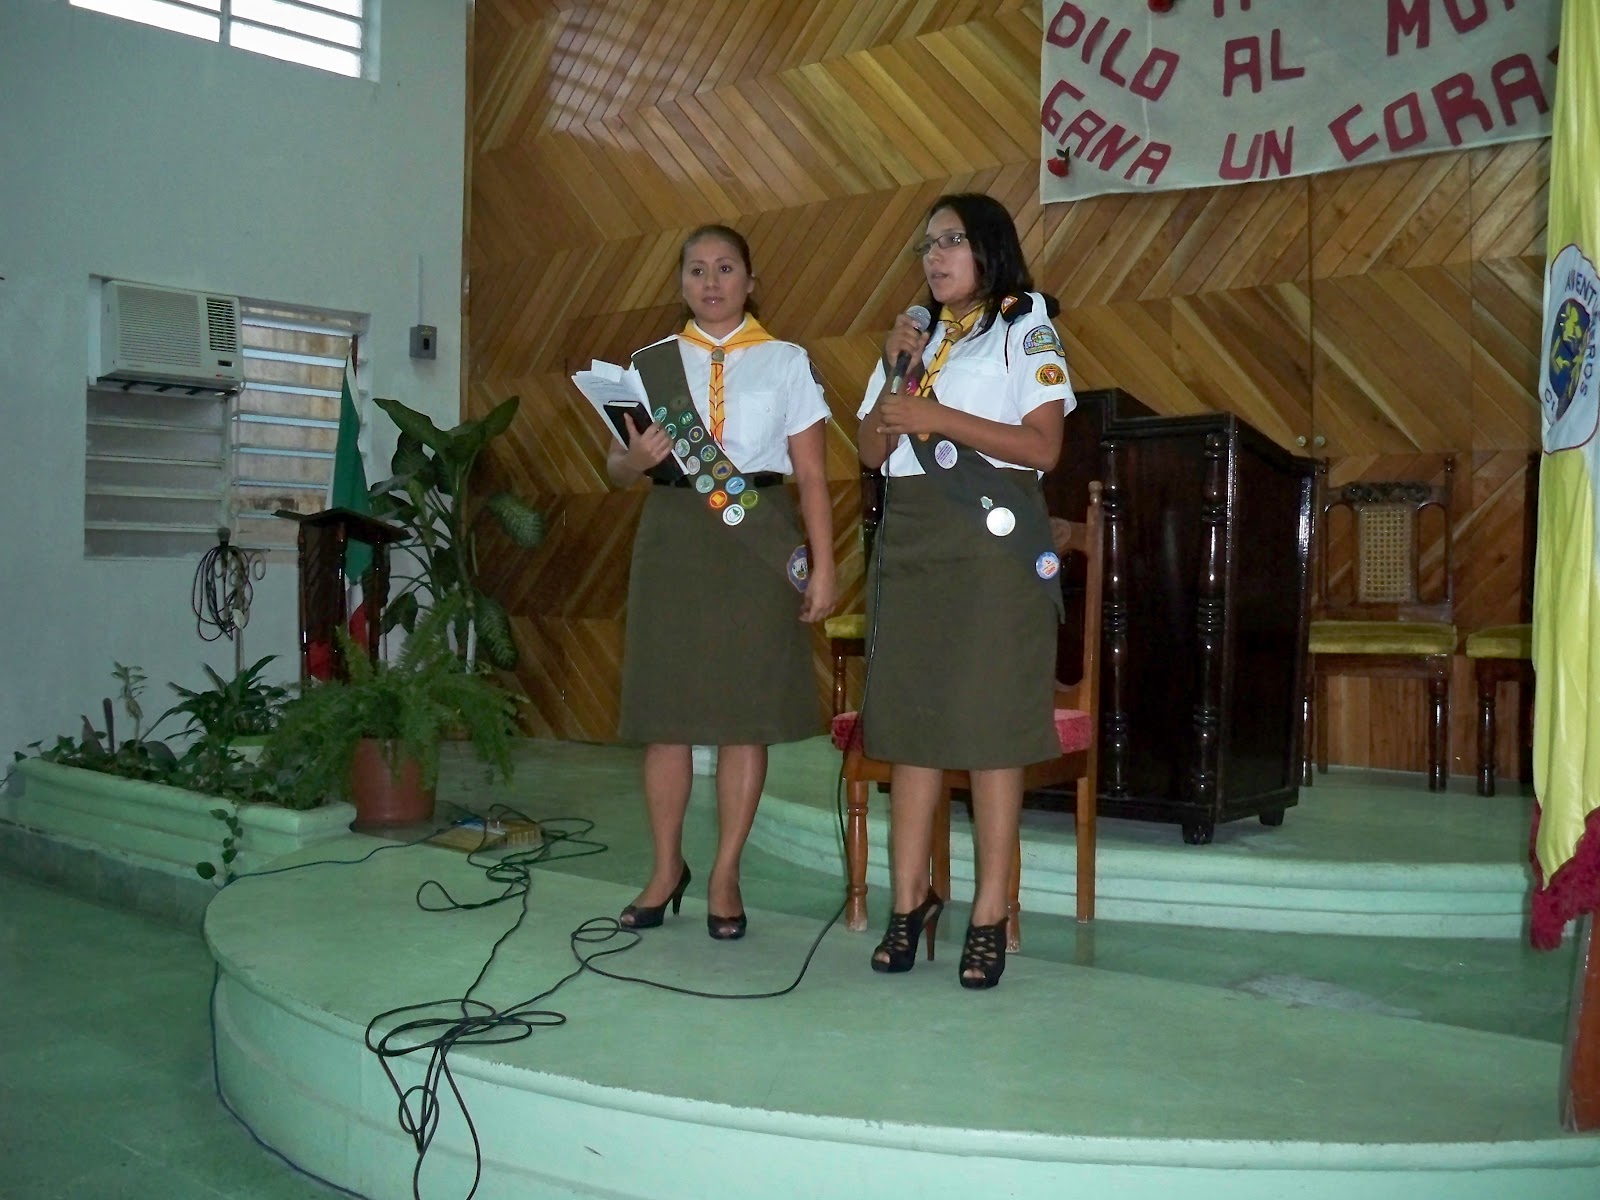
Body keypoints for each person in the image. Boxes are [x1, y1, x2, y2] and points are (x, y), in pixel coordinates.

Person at [855, 193, 1075, 989]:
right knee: (912, 725)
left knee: (987, 730)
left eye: (950, 241)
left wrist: (937, 417)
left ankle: (989, 909)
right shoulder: (914, 337)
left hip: (990, 547)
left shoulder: (1026, 327)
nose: (933, 257)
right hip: (912, 540)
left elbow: (1045, 448)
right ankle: (909, 902)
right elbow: (872, 453)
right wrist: (891, 369)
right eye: (926, 244)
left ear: (988, 248)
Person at [607, 224, 836, 941]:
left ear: (750, 280)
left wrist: (825, 565)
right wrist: (633, 459)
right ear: (680, 282)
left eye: (726, 268)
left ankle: (726, 872)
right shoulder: (649, 367)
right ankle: (665, 866)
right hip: (674, 537)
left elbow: (811, 474)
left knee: (746, 716)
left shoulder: (787, 362)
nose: (711, 282)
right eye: (698, 270)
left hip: (756, 541)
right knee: (665, 716)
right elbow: (614, 470)